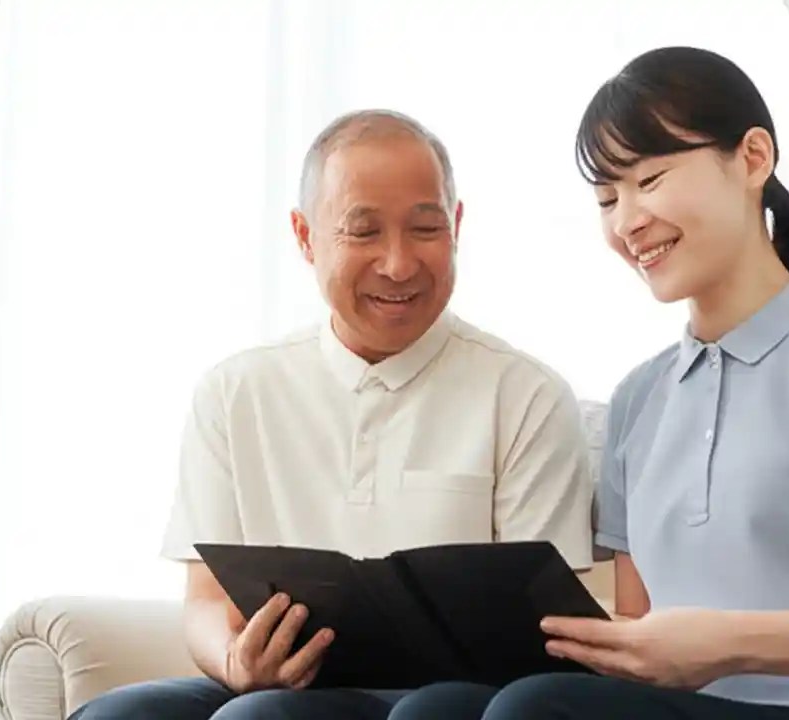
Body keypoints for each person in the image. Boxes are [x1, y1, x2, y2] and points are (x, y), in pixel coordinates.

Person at [390, 46, 789, 720]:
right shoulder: (638, 401)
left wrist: (730, 645)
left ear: (753, 158)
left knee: (538, 710)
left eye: (649, 180)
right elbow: (642, 640)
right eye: (606, 197)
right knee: (435, 709)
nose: (626, 221)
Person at [68, 109, 595, 720]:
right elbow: (207, 602)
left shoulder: (525, 395)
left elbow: (540, 630)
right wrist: (237, 660)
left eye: (425, 229)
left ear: (456, 225)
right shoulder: (236, 391)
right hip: (278, 685)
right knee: (120, 716)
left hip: (454, 698)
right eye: (363, 231)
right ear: (304, 236)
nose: (398, 264)